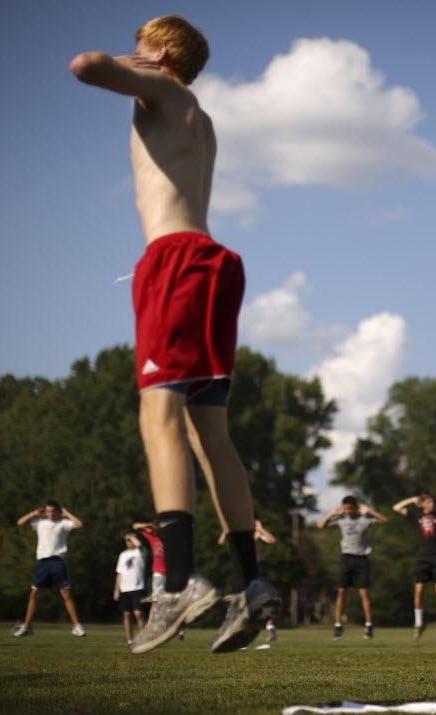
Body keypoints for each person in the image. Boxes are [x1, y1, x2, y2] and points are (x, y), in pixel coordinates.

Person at [69, 15, 279, 654]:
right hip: (213, 264)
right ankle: (253, 582)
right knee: (208, 432)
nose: (131, 52)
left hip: (176, 260)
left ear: (159, 52)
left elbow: (84, 65)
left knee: (156, 415)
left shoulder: (166, 90)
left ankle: (179, 583)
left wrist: (135, 65)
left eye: (140, 44)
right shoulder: (198, 116)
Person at [392, 493, 436, 641]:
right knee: (419, 590)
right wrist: (413, 499)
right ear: (422, 504)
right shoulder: (416, 515)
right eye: (428, 502)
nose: (431, 504)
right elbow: (396, 507)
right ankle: (418, 624)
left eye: (432, 502)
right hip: (422, 557)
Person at [318, 496, 388, 641]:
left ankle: (368, 625)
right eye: (345, 509)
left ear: (356, 507)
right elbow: (320, 526)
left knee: (364, 594)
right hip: (346, 558)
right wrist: (332, 513)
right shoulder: (341, 519)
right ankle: (338, 625)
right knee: (341, 592)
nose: (348, 511)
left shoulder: (364, 519)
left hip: (361, 559)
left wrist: (370, 511)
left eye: (350, 509)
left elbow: (384, 520)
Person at [12, 501, 86, 638]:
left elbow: (79, 524)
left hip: (58, 562)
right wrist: (34, 513)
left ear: (58, 512)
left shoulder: (63, 523)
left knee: (66, 593)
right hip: (43, 563)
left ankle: (76, 626)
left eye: (53, 511)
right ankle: (27, 627)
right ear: (45, 512)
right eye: (48, 511)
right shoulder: (39, 523)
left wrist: (67, 513)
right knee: (34, 594)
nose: (51, 513)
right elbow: (20, 523)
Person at [220, 520, 278, 643]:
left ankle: (270, 626)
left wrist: (261, 529)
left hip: (256, 569)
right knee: (242, 600)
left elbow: (272, 540)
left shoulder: (257, 534)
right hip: (242, 570)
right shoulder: (239, 535)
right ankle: (238, 627)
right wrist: (225, 529)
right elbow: (221, 541)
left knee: (265, 599)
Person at [115, 532, 147, 645]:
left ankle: (145, 639)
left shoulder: (141, 552)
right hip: (124, 589)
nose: (128, 542)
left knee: (138, 614)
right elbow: (119, 573)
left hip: (137, 587)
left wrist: (131, 537)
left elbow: (139, 545)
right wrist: (116, 589)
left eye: (130, 540)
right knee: (127, 614)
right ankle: (130, 641)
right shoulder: (123, 555)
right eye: (127, 540)